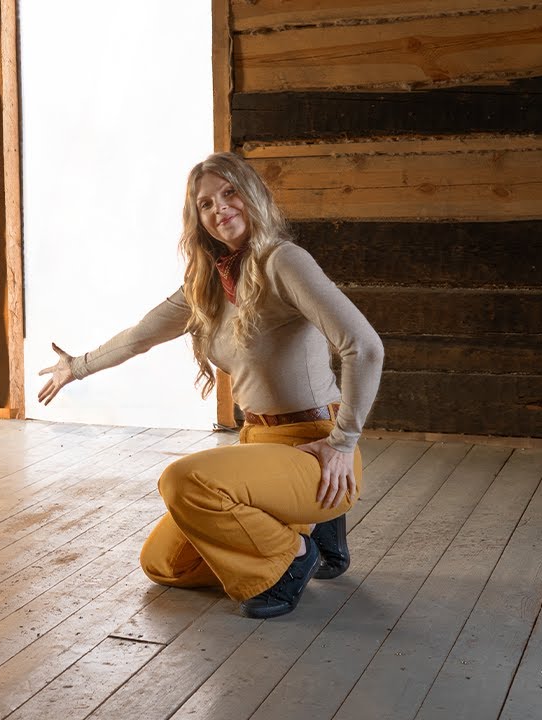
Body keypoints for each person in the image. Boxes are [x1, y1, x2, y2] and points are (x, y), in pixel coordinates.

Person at [37, 152, 383, 619]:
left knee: (182, 480)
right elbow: (141, 336)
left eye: (229, 192)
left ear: (253, 195)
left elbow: (363, 347)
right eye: (205, 204)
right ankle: (304, 534)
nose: (219, 208)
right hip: (257, 442)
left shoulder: (284, 261)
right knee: (163, 564)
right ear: (197, 219)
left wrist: (343, 442)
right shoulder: (207, 283)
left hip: (315, 448)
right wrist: (74, 367)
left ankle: (294, 557)